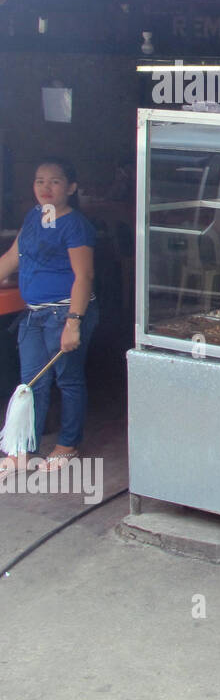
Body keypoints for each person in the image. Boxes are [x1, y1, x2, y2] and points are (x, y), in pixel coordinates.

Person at [0, 159, 98, 479]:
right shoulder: (34, 216)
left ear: (70, 188)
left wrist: (74, 322)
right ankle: (24, 449)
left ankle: (67, 445)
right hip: (35, 314)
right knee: (30, 383)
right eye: (39, 181)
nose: (45, 188)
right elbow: (12, 259)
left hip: (65, 312)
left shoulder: (75, 224)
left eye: (54, 182)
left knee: (67, 379)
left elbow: (84, 276)